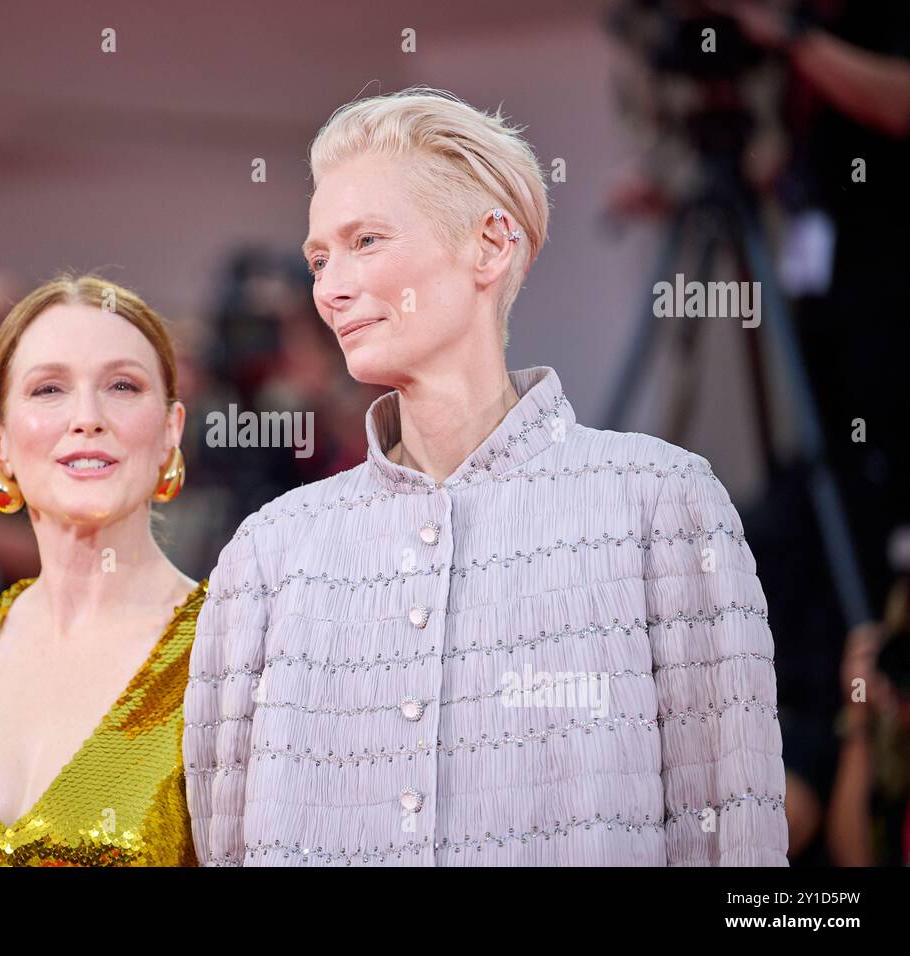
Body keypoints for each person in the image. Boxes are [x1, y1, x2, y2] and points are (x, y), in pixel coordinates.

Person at [184, 87, 789, 866]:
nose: (330, 289)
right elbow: (224, 842)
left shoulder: (660, 505)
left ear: (491, 244)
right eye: (319, 259)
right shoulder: (268, 554)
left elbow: (734, 837)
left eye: (366, 240)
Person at [0, 274, 206, 866]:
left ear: (170, 432)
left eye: (123, 386)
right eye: (48, 389)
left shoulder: (226, 648)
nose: (86, 416)